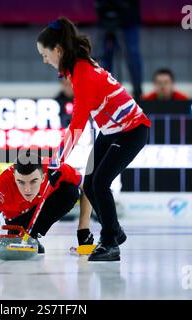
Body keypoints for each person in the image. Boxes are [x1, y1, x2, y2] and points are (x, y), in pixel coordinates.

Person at [37, 17, 151, 261]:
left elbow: (77, 124)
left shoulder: (82, 73)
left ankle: (110, 242)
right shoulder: (77, 68)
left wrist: (57, 162)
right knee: (89, 184)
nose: (44, 60)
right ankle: (115, 231)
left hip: (131, 130)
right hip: (112, 131)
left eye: (45, 55)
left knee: (99, 183)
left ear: (57, 50)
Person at [0, 151, 94, 258]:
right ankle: (23, 234)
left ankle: (32, 234)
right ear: (14, 177)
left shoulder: (56, 168)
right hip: (17, 219)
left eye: (33, 181)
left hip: (42, 208)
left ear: (43, 177)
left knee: (71, 191)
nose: (27, 189)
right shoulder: (5, 182)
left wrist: (83, 230)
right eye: (21, 182)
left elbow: (87, 189)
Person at [95, 0, 143, 100]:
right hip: (106, 16)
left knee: (132, 55)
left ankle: (138, 92)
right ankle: (106, 92)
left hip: (129, 17)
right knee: (105, 56)